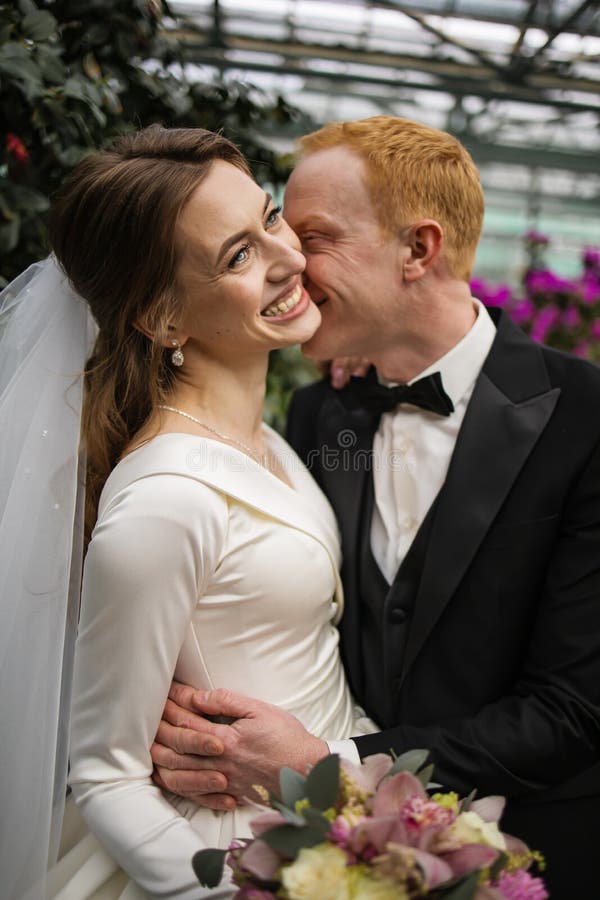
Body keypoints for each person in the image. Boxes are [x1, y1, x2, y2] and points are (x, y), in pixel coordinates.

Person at [151, 116, 600, 899]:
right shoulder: (323, 417)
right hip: (315, 857)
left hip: (534, 853)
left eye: (314, 235)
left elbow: (572, 709)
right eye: (279, 227)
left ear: (418, 251)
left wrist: (333, 767)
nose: (287, 257)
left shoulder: (585, 418)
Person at [1, 125, 378, 900]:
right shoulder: (167, 500)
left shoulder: (268, 435)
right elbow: (104, 776)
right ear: (163, 319)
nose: (288, 258)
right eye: (237, 256)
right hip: (233, 855)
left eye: (270, 218)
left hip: (341, 816)